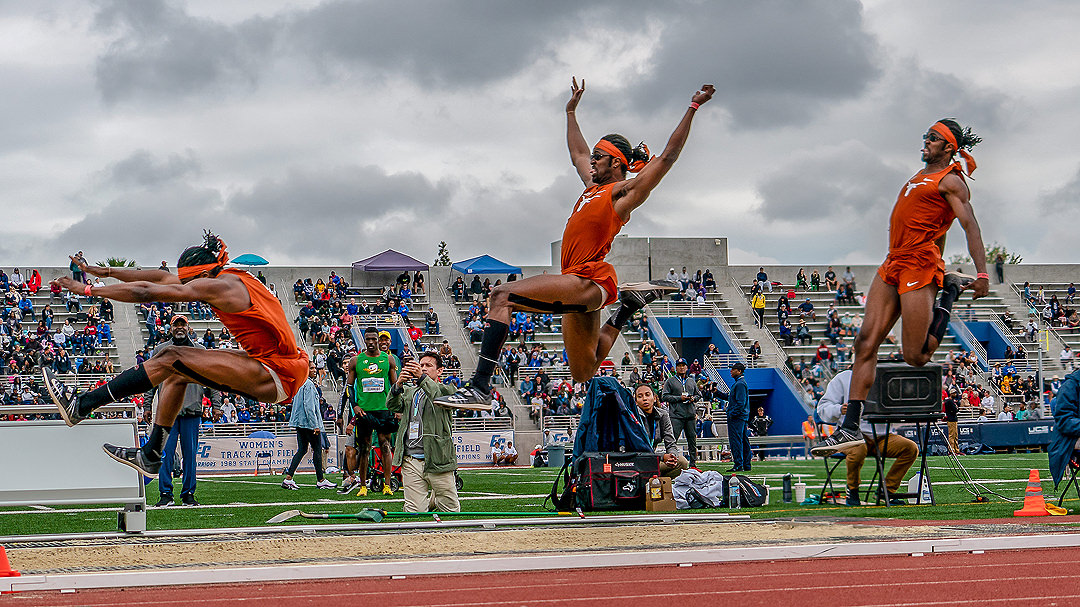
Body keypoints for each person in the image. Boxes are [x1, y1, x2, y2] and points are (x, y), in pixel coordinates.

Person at [435, 78, 715, 409]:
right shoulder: (591, 186)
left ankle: (480, 386)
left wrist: (693, 107)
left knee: (501, 295)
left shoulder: (621, 195)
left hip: (588, 279)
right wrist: (570, 112)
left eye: (599, 157)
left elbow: (667, 156)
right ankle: (626, 308)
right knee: (584, 370)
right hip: (576, 283)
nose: (591, 161)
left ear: (615, 164)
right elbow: (577, 152)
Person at [45, 232, 309, 477]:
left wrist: (89, 290)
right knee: (177, 372)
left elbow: (146, 291)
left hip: (277, 372)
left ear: (204, 274)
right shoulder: (227, 276)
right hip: (275, 363)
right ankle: (151, 454)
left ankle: (82, 404)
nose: (187, 288)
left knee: (171, 355)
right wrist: (106, 271)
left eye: (190, 282)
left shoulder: (221, 287)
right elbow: (160, 279)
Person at [813, 119, 989, 456]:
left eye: (933, 138)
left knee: (916, 355)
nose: (926, 141)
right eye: (926, 135)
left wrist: (981, 273)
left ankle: (950, 291)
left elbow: (970, 225)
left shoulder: (951, 181)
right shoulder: (917, 176)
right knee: (864, 343)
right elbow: (938, 226)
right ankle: (850, 427)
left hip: (918, 265)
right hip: (894, 261)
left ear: (949, 147)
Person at [817, 370, 918, 506]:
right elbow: (822, 409)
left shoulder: (886, 378)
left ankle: (887, 490)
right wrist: (839, 409)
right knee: (858, 450)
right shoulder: (843, 378)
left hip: (882, 436)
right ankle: (852, 489)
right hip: (851, 435)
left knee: (910, 448)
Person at [154, 314, 220, 507]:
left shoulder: (200, 351)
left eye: (183, 324)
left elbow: (212, 380)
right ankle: (165, 494)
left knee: (190, 455)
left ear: (188, 327)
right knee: (165, 454)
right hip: (167, 412)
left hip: (192, 410)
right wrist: (150, 404)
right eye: (176, 325)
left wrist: (216, 405)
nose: (180, 328)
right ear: (170, 328)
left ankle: (188, 493)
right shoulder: (160, 350)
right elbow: (151, 379)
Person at [387, 351, 460, 513]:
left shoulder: (447, 390)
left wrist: (421, 378)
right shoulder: (410, 391)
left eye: (428, 365)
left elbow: (437, 395)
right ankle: (429, 499)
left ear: (439, 371)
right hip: (411, 459)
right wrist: (398, 385)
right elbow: (391, 405)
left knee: (451, 510)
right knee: (415, 512)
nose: (423, 368)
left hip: (438, 458)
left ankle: (435, 497)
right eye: (421, 365)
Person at [344, 327, 399, 496]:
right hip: (364, 411)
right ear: (364, 340)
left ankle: (387, 485)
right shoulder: (356, 360)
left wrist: (397, 408)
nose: (371, 342)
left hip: (384, 410)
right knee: (365, 448)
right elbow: (349, 387)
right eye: (367, 339)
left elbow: (395, 386)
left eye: (373, 339)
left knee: (385, 446)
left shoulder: (388, 359)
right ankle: (362, 486)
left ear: (378, 340)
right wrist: (355, 406)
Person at [281, 365, 336, 490]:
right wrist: (315, 425)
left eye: (315, 368)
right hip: (308, 423)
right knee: (317, 449)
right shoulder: (309, 385)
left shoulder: (299, 384)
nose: (314, 370)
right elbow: (309, 407)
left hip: (300, 423)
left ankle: (288, 478)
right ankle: (321, 480)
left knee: (302, 450)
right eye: (311, 368)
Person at [634, 384, 689, 478]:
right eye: (640, 396)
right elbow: (636, 450)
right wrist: (662, 457)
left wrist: (672, 457)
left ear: (654, 398)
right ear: (635, 402)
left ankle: (655, 484)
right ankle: (646, 483)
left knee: (682, 463)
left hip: (653, 461)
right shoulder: (633, 418)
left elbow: (671, 442)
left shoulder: (663, 415)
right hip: (636, 462)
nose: (644, 399)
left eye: (647, 395)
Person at [662, 358, 701, 469]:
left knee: (692, 441)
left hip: (690, 415)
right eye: (679, 365)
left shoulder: (691, 381)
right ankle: (671, 462)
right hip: (676, 416)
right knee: (672, 441)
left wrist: (693, 398)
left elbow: (699, 394)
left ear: (687, 367)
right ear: (676, 368)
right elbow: (664, 396)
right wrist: (680, 398)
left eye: (683, 365)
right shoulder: (670, 381)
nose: (681, 367)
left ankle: (693, 464)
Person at [721, 362, 751, 472]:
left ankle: (739, 464)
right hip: (741, 417)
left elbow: (740, 403)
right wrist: (717, 393)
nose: (731, 371)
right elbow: (730, 397)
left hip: (737, 417)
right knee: (743, 440)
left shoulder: (739, 384)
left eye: (733, 369)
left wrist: (731, 414)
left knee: (736, 441)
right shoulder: (740, 383)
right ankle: (746, 464)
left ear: (739, 371)